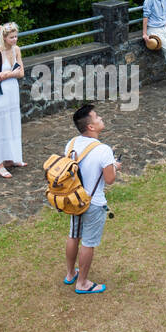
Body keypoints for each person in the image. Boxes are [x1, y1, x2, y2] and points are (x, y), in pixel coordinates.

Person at [63, 103, 118, 295]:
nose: (101, 118)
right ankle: (83, 283)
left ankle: (71, 274)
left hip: (74, 199)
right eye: (97, 117)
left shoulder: (70, 144)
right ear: (91, 127)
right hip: (93, 203)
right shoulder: (103, 150)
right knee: (88, 242)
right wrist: (114, 167)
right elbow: (109, 179)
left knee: (73, 236)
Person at [0, 22, 27, 179]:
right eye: (12, 37)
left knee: (13, 123)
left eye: (16, 36)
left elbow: (22, 72)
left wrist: (12, 74)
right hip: (2, 92)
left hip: (13, 91)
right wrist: (10, 74)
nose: (15, 40)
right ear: (4, 37)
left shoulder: (17, 49)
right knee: (1, 126)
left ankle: (12, 158)